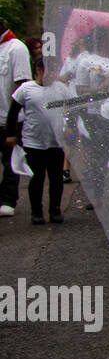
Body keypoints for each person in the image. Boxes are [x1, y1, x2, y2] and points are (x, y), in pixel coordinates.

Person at [6, 59, 68, 224]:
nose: (54, 74)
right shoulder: (26, 89)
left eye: (56, 71)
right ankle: (36, 212)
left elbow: (73, 108)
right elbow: (13, 112)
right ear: (39, 70)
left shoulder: (60, 89)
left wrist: (72, 128)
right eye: (50, 71)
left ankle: (55, 209)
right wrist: (11, 135)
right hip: (33, 141)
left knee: (56, 178)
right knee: (36, 178)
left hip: (55, 142)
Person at [0, 21, 32, 217]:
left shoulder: (16, 48)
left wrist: (13, 118)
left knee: (10, 161)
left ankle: (8, 198)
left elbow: (21, 85)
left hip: (8, 117)